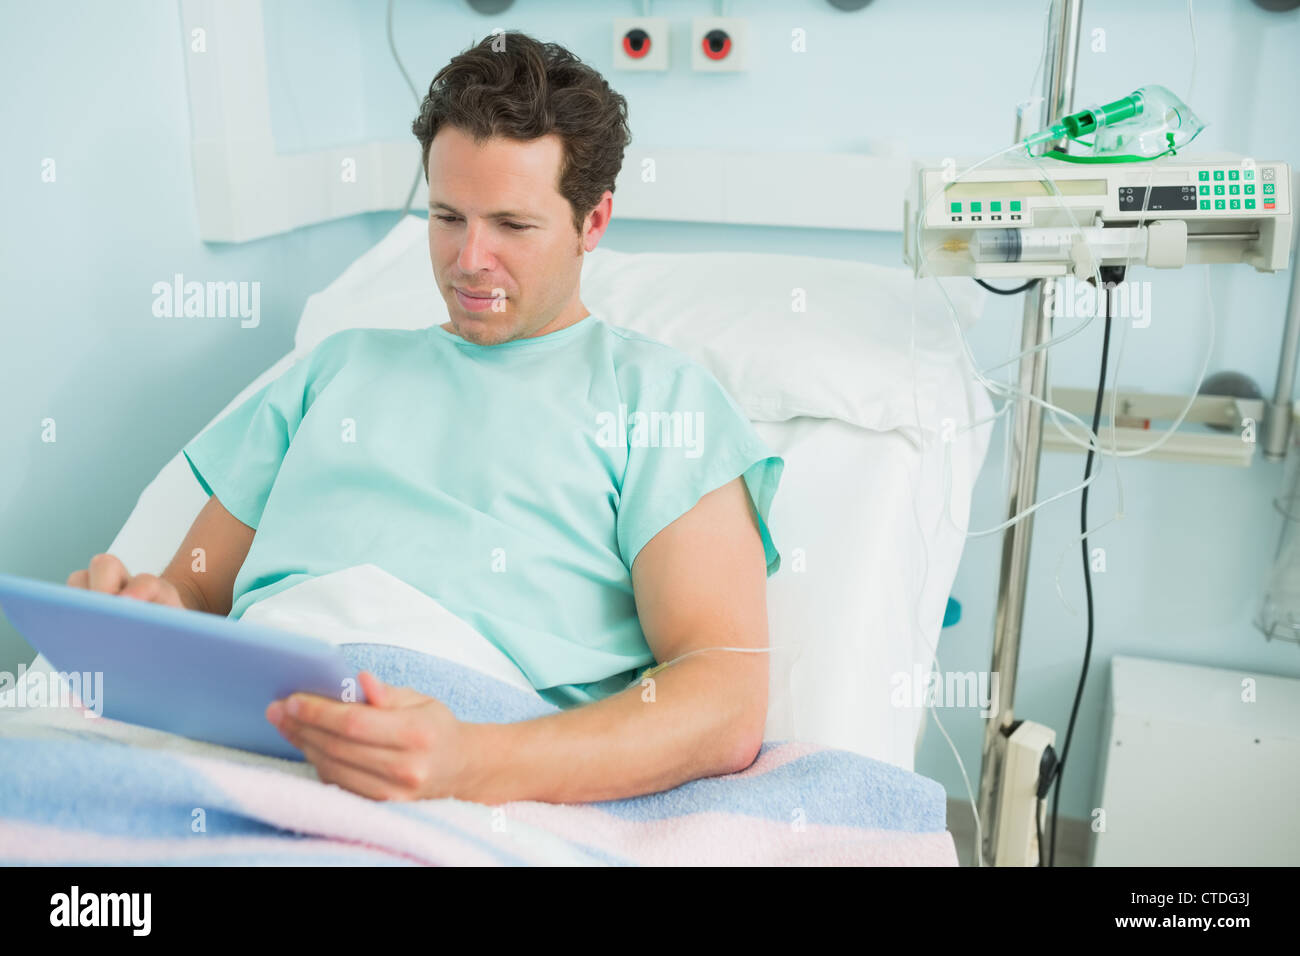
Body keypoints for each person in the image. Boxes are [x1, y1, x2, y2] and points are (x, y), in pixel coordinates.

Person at [67, 31, 783, 805]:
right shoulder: (334, 370)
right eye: (447, 217)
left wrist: (476, 763)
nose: (469, 259)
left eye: (512, 225)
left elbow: (724, 693)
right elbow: (196, 591)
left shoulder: (660, 403)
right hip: (256, 710)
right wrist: (142, 615)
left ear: (593, 222)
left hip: (468, 737)